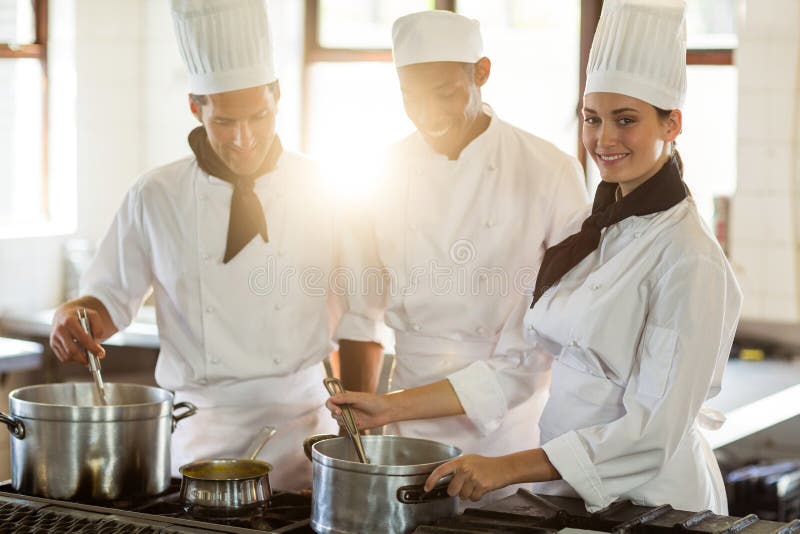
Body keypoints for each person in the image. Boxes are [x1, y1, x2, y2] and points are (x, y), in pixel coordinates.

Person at [329, 0, 741, 513]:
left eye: (626, 120)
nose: (604, 139)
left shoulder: (690, 256)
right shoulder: (597, 235)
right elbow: (525, 360)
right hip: (571, 490)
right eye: (592, 119)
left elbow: (652, 434)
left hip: (654, 504)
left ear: (672, 123)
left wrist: (508, 466)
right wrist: (385, 409)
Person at [49, 0, 339, 490]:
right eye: (224, 121)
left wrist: (357, 435)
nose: (244, 138)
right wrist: (73, 317)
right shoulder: (155, 194)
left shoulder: (323, 188)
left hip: (303, 439)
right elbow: (106, 303)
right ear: (195, 107)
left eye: (259, 116)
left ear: (277, 97)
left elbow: (359, 316)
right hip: (198, 439)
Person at [335, 10, 587, 502]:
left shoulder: (550, 171)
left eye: (445, 93)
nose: (428, 113)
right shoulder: (380, 171)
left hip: (506, 434)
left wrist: (392, 407)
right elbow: (361, 313)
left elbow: (553, 333)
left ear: (482, 72)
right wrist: (356, 437)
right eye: (411, 96)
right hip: (404, 431)